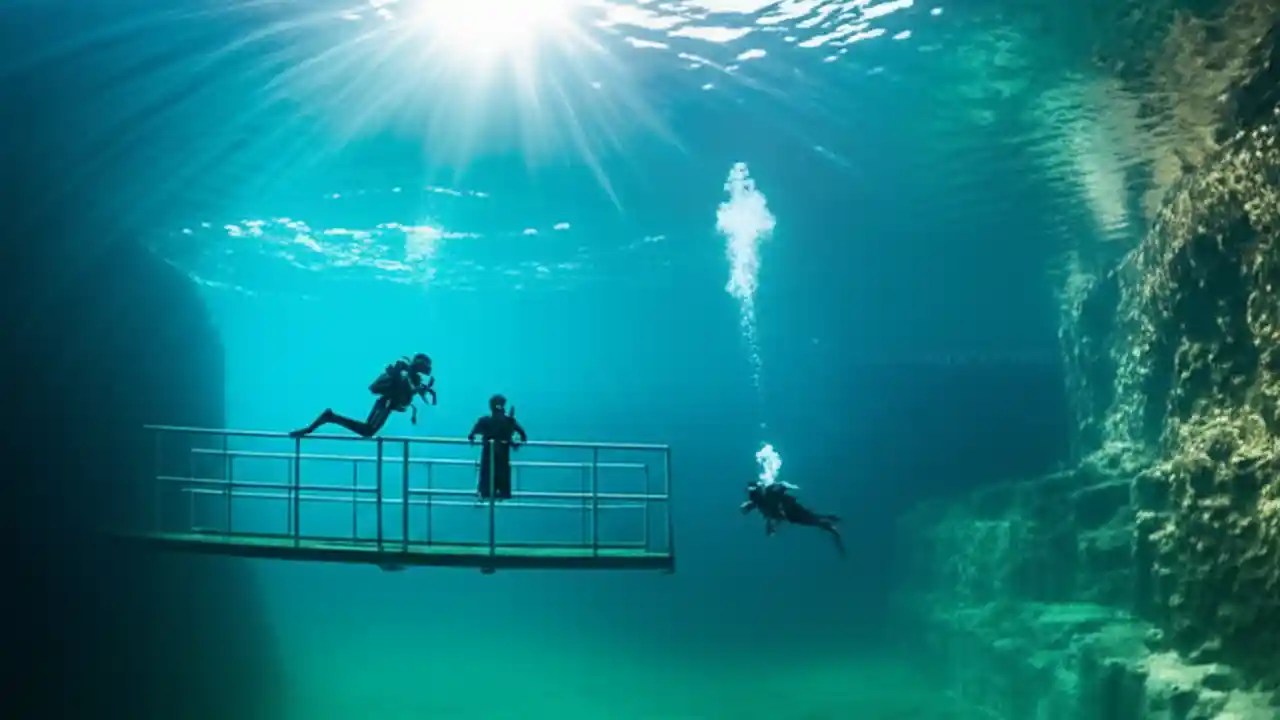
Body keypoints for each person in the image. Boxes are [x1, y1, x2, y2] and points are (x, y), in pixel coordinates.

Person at [290, 353, 436, 438]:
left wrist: (420, 391)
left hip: (385, 403)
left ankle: (328, 419)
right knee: (368, 431)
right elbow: (403, 393)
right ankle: (330, 418)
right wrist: (417, 391)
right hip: (386, 404)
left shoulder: (412, 378)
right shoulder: (406, 376)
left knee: (367, 431)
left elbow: (409, 395)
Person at [740, 479, 845, 557]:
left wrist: (792, 487)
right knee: (812, 519)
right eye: (752, 495)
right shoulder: (758, 502)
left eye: (754, 494)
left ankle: (831, 525)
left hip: (792, 510)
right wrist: (770, 526)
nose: (754, 497)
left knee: (811, 518)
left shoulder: (770, 491)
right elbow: (766, 513)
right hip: (789, 515)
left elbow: (781, 485)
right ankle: (830, 522)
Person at [468, 394, 527, 501]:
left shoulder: (484, 421)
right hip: (502, 458)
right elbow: (523, 435)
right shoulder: (509, 422)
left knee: (487, 479)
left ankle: (485, 493)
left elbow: (471, 435)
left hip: (488, 458)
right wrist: (515, 444)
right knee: (502, 477)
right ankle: (502, 492)